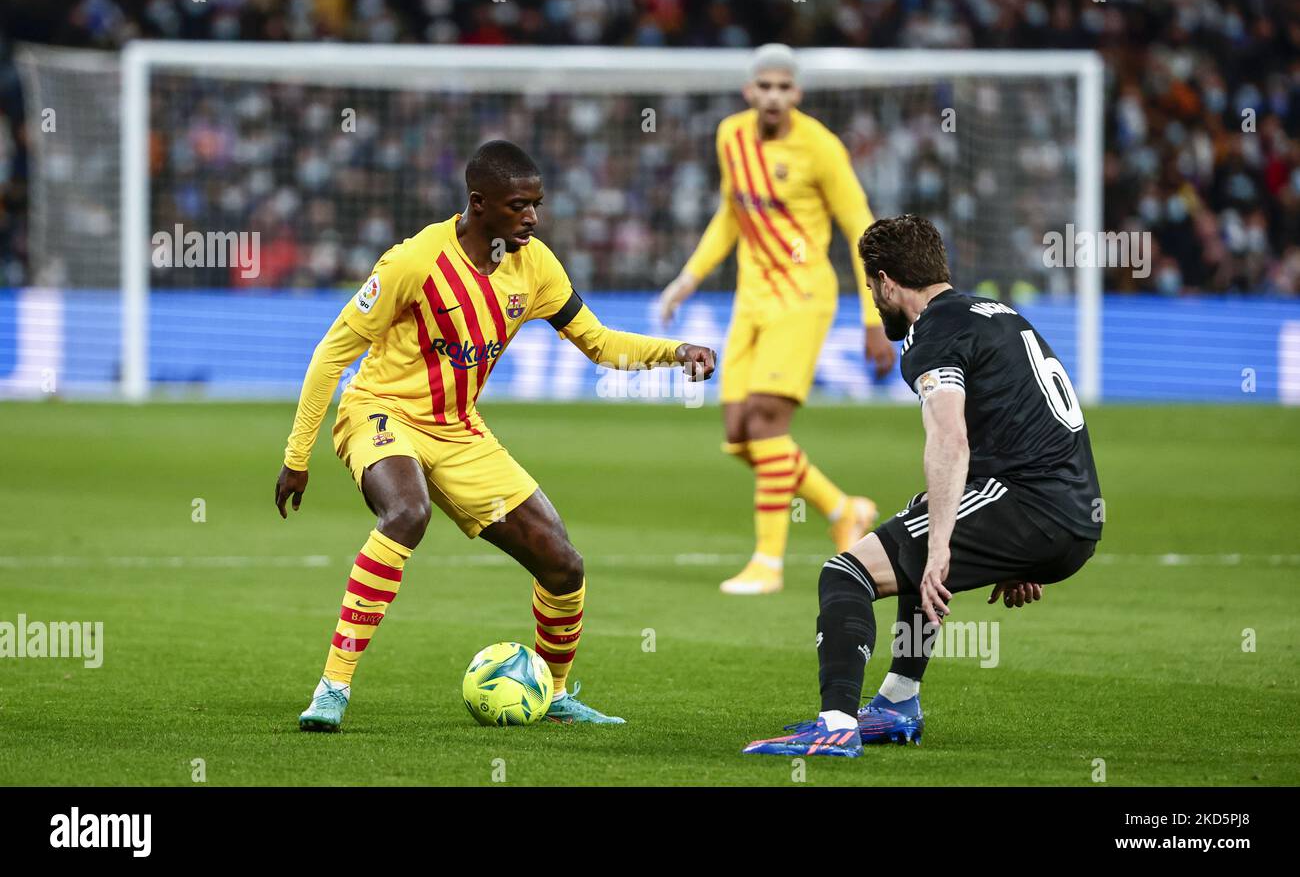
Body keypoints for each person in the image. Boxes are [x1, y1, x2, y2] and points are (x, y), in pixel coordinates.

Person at [276, 140, 716, 731]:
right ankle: (332, 687)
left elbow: (601, 343)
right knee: (408, 513)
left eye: (536, 204)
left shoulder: (534, 266)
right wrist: (296, 456)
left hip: (458, 431)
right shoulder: (411, 263)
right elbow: (331, 356)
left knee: (563, 566)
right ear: (478, 204)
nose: (532, 217)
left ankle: (555, 695)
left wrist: (675, 351)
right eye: (519, 206)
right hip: (379, 413)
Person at [743, 214, 1102, 757]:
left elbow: (950, 438)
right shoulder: (998, 314)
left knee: (845, 573)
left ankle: (836, 725)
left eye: (869, 287)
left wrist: (944, 548)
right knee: (925, 511)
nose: (871, 298)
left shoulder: (932, 332)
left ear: (887, 282)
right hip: (1070, 510)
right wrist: (1022, 551)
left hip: (1033, 504)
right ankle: (896, 703)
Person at [657, 43, 896, 596]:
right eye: (763, 86)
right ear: (749, 91)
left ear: (797, 93)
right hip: (752, 301)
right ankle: (844, 508)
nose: (772, 96)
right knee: (740, 433)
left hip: (805, 297)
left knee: (767, 421)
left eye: (783, 87)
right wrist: (688, 278)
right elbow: (729, 214)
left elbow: (861, 225)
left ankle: (768, 561)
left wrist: (873, 314)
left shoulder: (820, 147)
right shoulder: (730, 136)